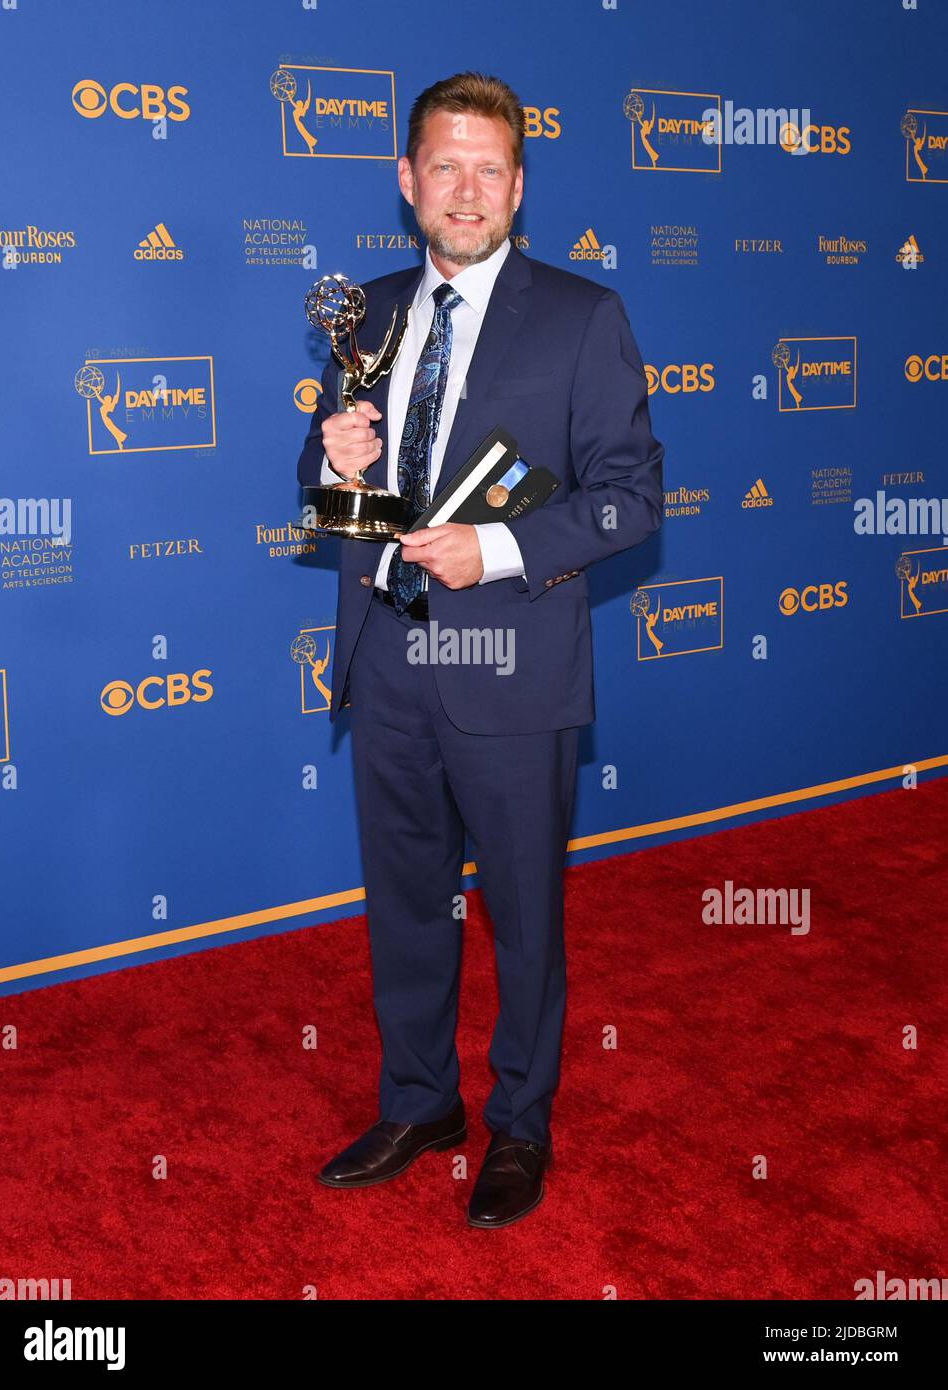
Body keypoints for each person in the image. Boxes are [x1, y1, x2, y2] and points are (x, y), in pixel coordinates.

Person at [296, 71, 664, 1228]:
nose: (466, 190)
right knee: (405, 900)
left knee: (521, 910)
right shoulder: (369, 312)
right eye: (444, 166)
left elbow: (630, 500)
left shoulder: (579, 315)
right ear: (406, 180)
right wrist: (330, 461)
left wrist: (495, 551)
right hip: (386, 662)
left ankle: (519, 1120)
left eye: (488, 170)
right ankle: (419, 1100)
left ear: (519, 184)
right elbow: (325, 486)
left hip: (512, 667)